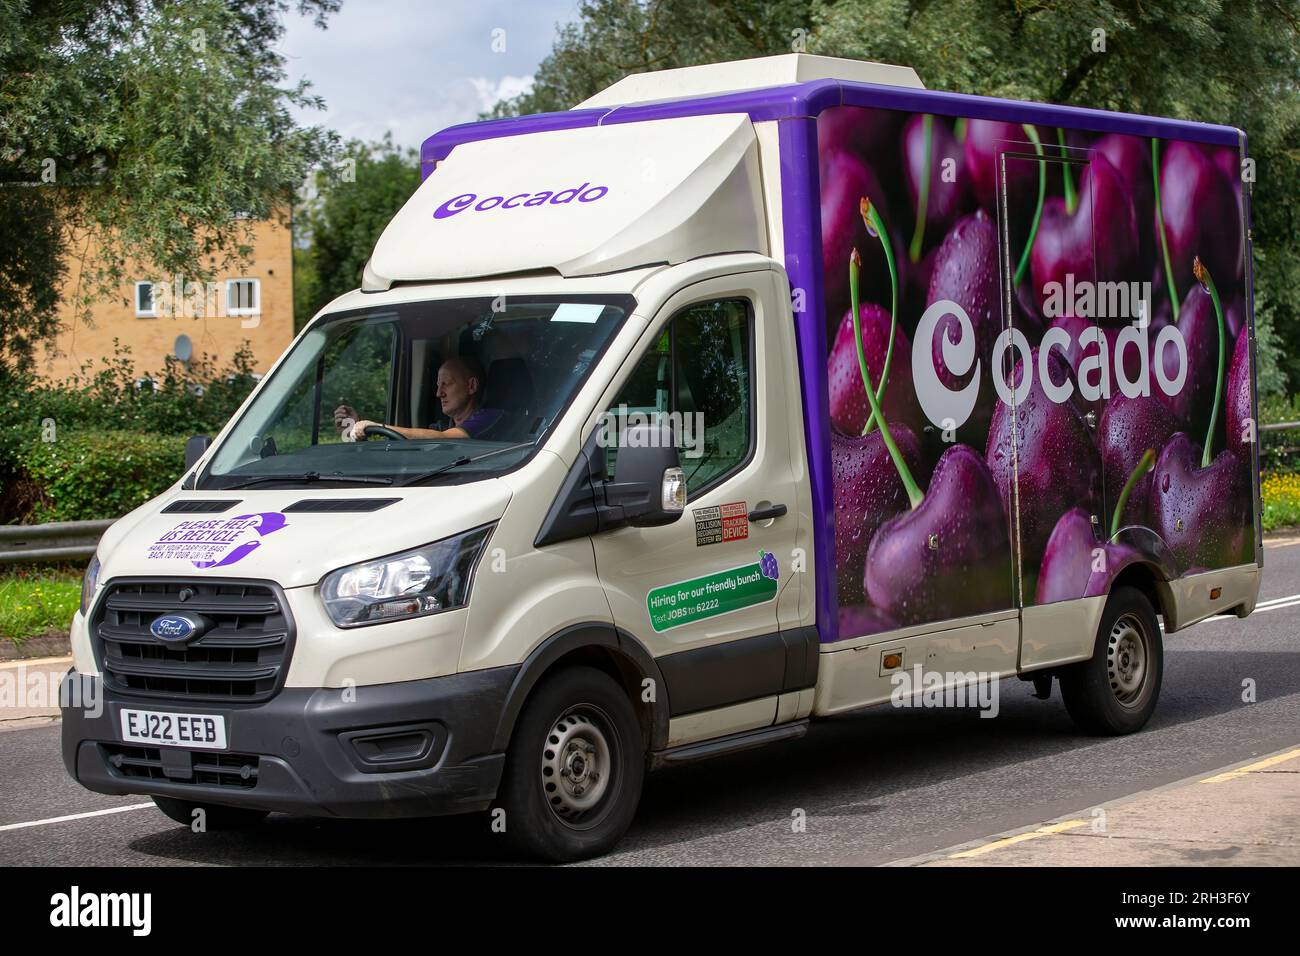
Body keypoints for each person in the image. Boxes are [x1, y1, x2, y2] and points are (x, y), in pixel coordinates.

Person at [334, 355, 503, 441]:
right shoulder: (439, 427)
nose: (439, 393)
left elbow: (445, 439)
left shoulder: (490, 418)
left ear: (471, 386)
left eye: (446, 384)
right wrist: (355, 431)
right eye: (438, 385)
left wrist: (378, 426)